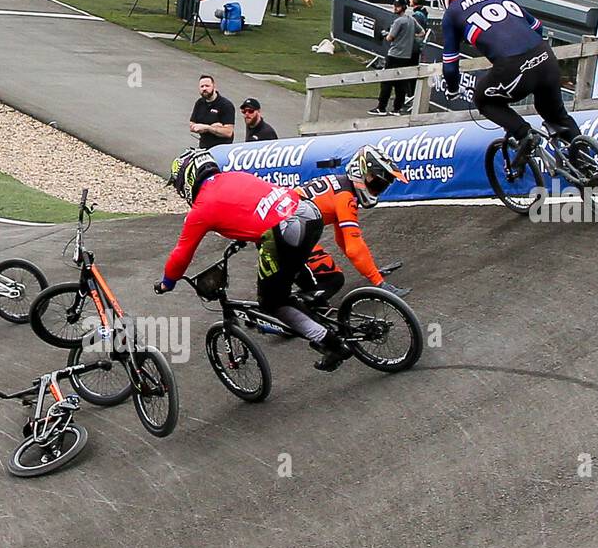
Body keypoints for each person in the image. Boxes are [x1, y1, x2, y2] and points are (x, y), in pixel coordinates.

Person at [153, 149, 356, 371]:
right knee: (286, 265)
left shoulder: (202, 208)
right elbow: (253, 209)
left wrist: (167, 282)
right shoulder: (235, 175)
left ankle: (330, 342)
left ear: (187, 178)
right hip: (308, 212)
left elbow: (182, 253)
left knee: (271, 301)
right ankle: (317, 306)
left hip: (285, 231)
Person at [433, 0, 581, 168]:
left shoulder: (453, 12)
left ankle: (524, 134)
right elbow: (538, 28)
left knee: (483, 99)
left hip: (513, 66)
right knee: (557, 115)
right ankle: (587, 164)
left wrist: (453, 88)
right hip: (545, 56)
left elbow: (450, 67)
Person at [291, 145, 408, 295]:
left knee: (320, 283)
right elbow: (354, 248)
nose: (377, 190)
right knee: (332, 281)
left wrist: (372, 271)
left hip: (284, 230)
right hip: (287, 234)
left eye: (382, 186)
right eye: (376, 183)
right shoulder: (346, 197)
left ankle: (290, 305)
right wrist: (379, 282)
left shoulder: (342, 187)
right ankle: (289, 311)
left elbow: (343, 240)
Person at [370, 0, 422, 116]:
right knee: (401, 83)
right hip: (406, 56)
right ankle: (397, 109)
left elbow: (390, 38)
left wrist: (387, 35)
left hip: (394, 55)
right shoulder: (411, 20)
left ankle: (381, 107)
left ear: (402, 7)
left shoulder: (399, 21)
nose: (395, 8)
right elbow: (422, 32)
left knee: (387, 82)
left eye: (397, 6)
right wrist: (409, 37)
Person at [189, 75, 236, 149]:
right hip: (203, 147)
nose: (204, 88)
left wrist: (207, 128)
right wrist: (214, 127)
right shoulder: (199, 103)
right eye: (202, 86)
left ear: (214, 86)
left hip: (221, 149)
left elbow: (228, 132)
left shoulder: (226, 105)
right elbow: (192, 126)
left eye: (207, 86)